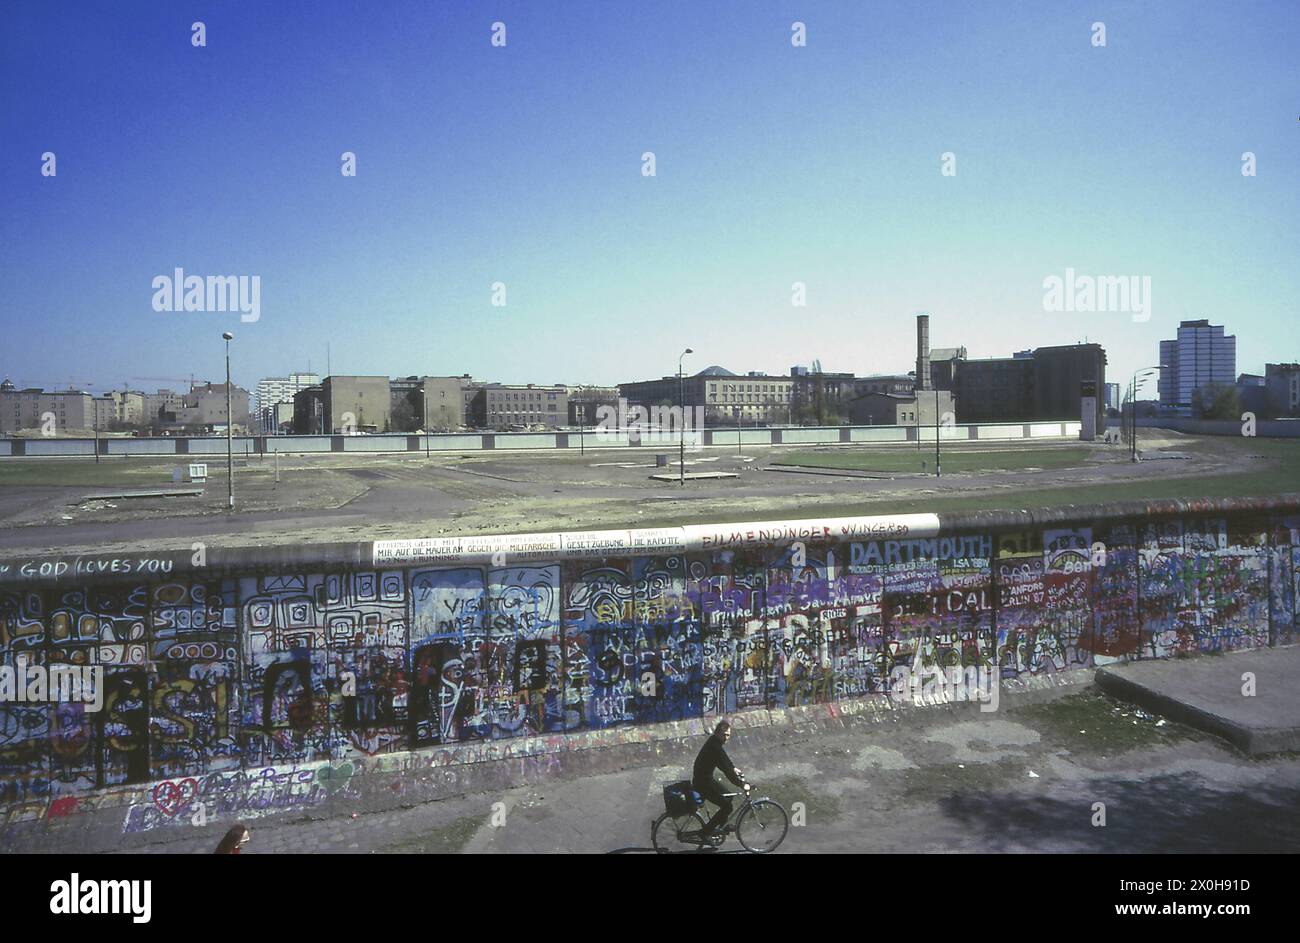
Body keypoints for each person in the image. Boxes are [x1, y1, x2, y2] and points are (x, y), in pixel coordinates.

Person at [692, 720, 749, 840]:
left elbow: (725, 759)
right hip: (703, 783)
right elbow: (725, 769)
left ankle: (722, 827)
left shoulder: (714, 742)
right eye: (724, 734)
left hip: (704, 779)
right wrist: (741, 784)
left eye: (728, 735)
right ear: (717, 733)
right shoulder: (715, 747)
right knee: (727, 807)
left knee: (728, 796)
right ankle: (705, 832)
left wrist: (733, 768)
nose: (726, 737)